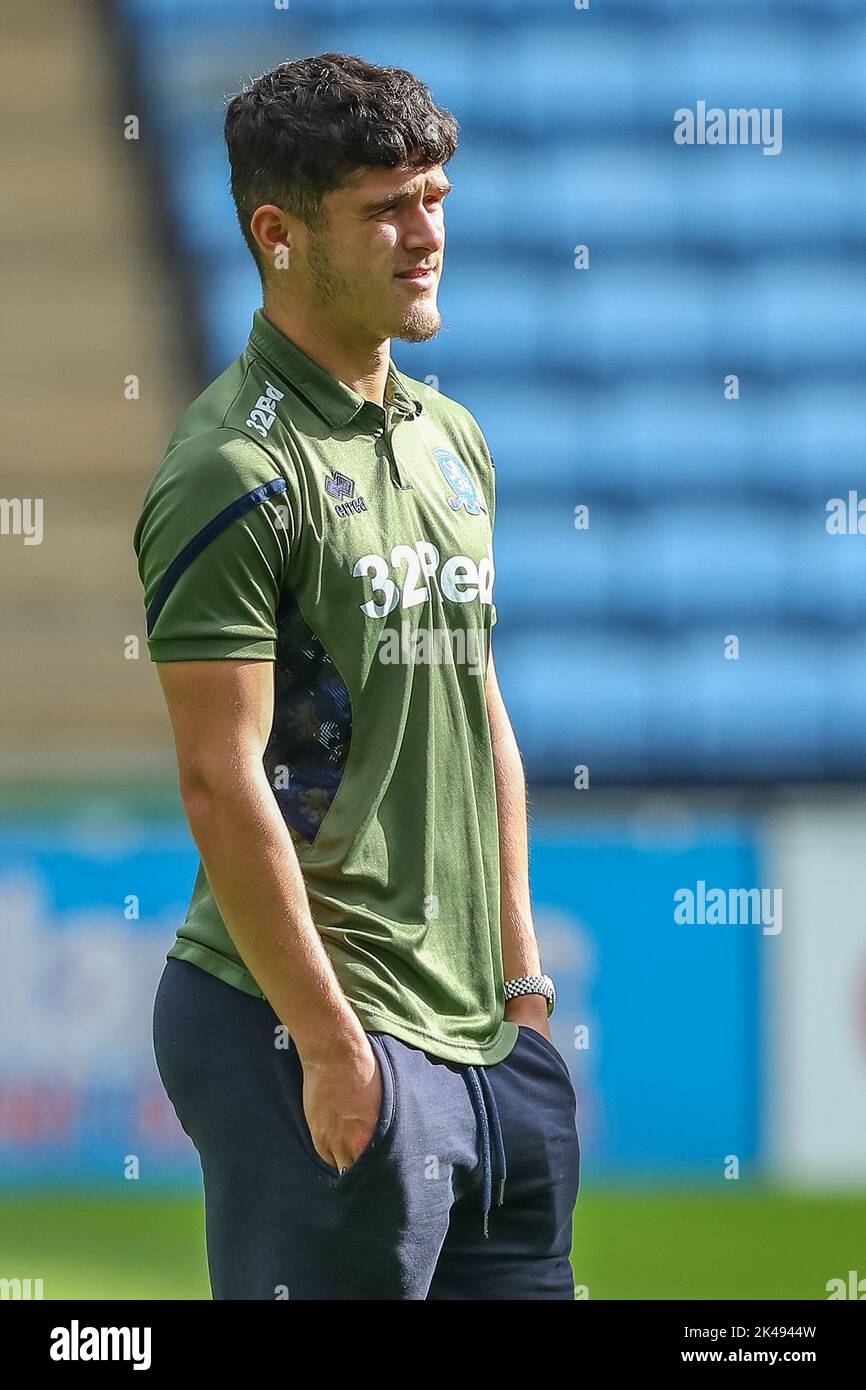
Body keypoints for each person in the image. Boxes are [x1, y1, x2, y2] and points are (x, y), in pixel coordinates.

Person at [133, 51, 579, 1300]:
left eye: (434, 195)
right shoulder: (230, 470)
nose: (425, 233)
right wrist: (329, 1044)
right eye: (385, 207)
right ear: (277, 235)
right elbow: (220, 779)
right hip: (307, 1027)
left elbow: (475, 708)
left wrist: (524, 985)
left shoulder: (452, 441)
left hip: (485, 1038)